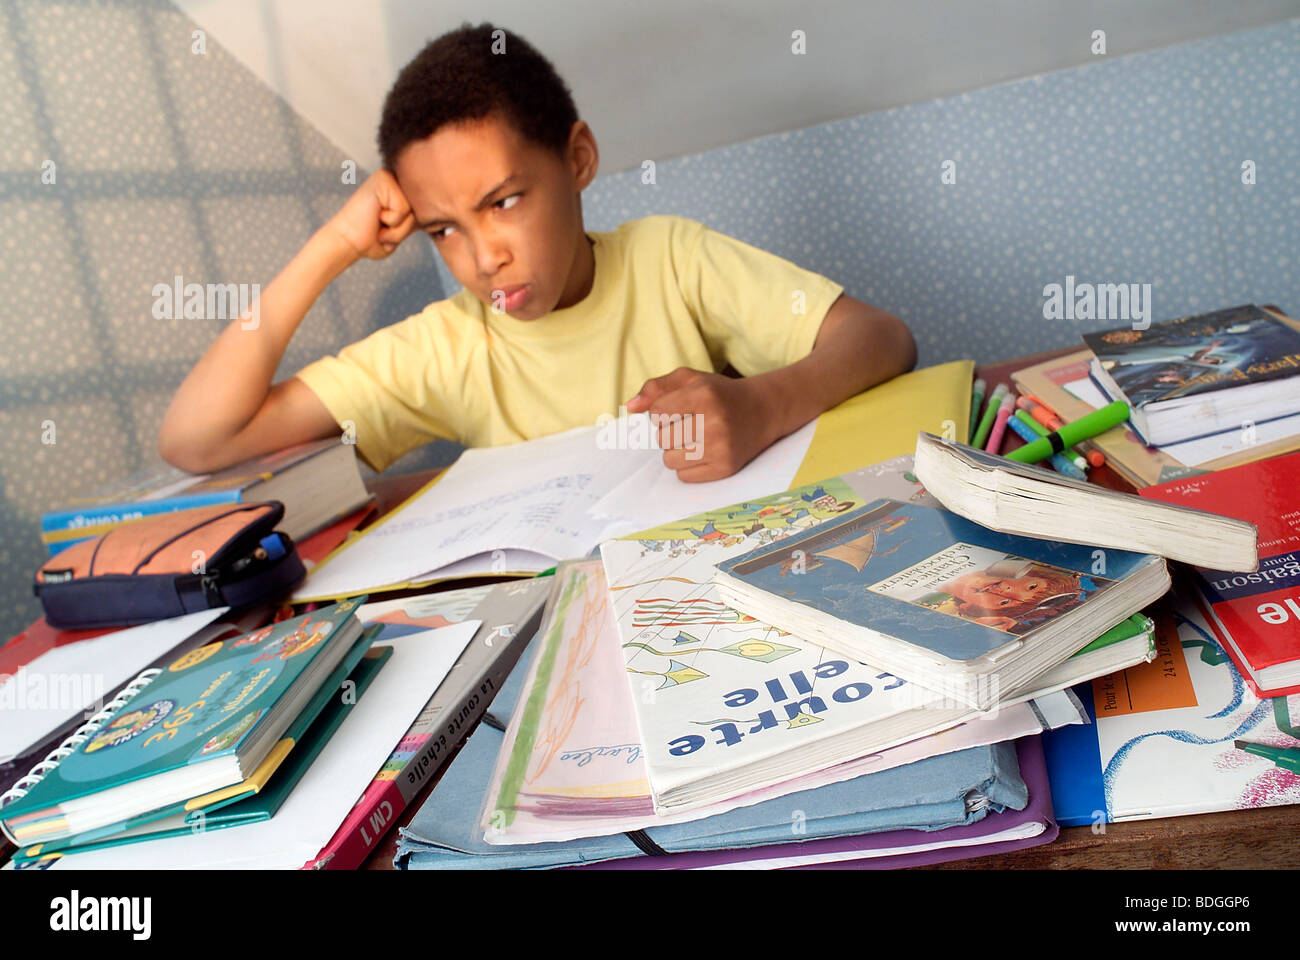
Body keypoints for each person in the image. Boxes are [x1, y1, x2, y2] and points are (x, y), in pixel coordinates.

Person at [158, 22, 916, 482]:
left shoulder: (670, 260)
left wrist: (762, 403)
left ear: (578, 158)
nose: (483, 257)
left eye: (503, 202)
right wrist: (332, 246)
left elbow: (883, 338)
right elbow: (200, 439)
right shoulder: (448, 347)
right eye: (442, 229)